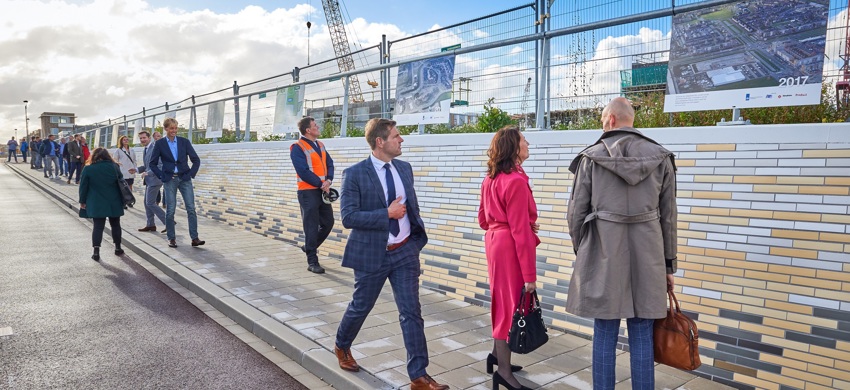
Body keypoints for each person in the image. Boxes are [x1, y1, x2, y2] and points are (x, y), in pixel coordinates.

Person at [565, 97, 678, 390]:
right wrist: (668, 265)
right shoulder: (662, 157)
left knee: (605, 331)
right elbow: (669, 218)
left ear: (612, 119)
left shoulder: (590, 158)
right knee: (642, 333)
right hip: (649, 256)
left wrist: (584, 249)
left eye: (603, 119)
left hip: (604, 252)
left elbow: (575, 214)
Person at [334, 118, 448, 390]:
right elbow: (349, 217)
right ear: (380, 142)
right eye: (397, 136)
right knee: (361, 305)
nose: (401, 140)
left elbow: (412, 208)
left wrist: (413, 243)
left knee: (412, 313)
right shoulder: (355, 173)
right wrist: (386, 214)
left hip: (405, 251)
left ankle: (418, 376)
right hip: (373, 254)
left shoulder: (404, 169)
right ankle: (342, 345)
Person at [477, 126, 538, 390]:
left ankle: (495, 356)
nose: (528, 143)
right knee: (509, 306)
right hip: (509, 246)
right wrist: (530, 277)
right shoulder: (514, 180)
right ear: (514, 148)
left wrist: (506, 224)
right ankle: (503, 372)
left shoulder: (491, 178)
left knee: (501, 301)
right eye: (524, 140)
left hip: (495, 242)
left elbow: (482, 219)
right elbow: (520, 234)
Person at [149, 118, 205, 248]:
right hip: (170, 180)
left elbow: (196, 160)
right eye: (171, 128)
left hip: (184, 178)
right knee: (170, 210)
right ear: (166, 129)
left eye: (175, 128)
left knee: (191, 208)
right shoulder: (160, 144)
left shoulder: (184, 142)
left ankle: (195, 238)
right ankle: (171, 238)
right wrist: (162, 175)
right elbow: (152, 163)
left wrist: (190, 174)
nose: (174, 131)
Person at [290, 116, 335, 274]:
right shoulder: (297, 147)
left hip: (323, 190)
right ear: (308, 130)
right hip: (307, 192)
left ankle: (309, 246)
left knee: (328, 222)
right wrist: (320, 183)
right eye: (315, 125)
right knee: (311, 226)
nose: (318, 127)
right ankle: (312, 261)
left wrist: (328, 180)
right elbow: (302, 170)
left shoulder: (320, 145)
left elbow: (330, 163)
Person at [79, 147, 125, 261]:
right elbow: (121, 181)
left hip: (96, 202)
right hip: (114, 201)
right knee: (116, 224)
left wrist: (82, 201)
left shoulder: (88, 169)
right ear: (107, 156)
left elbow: (83, 187)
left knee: (98, 226)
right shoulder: (115, 167)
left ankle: (96, 251)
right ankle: (118, 247)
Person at [136, 131, 167, 232]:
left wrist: (148, 173)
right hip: (150, 180)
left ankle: (168, 222)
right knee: (146, 203)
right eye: (141, 138)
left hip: (155, 179)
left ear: (149, 138)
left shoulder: (154, 148)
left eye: (144, 138)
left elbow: (160, 165)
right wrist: (136, 170)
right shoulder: (146, 149)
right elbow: (147, 165)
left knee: (150, 203)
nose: (142, 140)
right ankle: (151, 225)